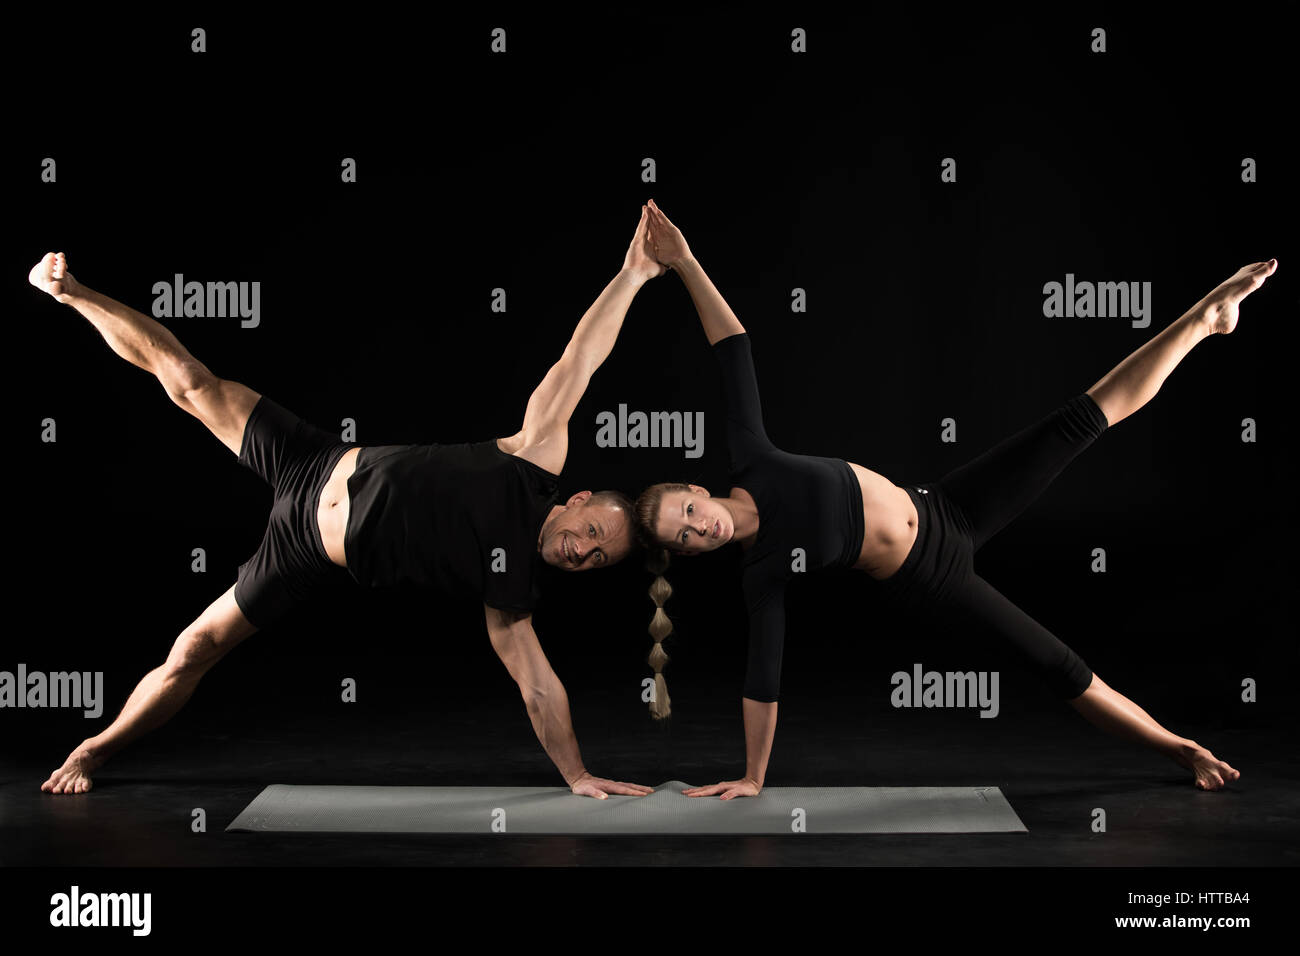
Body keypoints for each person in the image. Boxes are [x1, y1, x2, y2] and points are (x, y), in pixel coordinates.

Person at [633, 198, 1273, 798]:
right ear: (687, 554)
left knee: (1077, 421)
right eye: (683, 539)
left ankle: (1203, 319)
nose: (699, 529)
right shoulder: (762, 570)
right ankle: (1179, 749)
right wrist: (752, 778)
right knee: (1058, 664)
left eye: (688, 512)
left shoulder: (750, 454)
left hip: (947, 505)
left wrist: (686, 262)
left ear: (696, 489)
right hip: (932, 574)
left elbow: (732, 346)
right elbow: (762, 679)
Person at [32, 205, 668, 800]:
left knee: (194, 649)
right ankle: (73, 293)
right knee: (191, 383)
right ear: (578, 500)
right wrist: (634, 274)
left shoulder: (514, 592)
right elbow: (582, 357)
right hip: (310, 461)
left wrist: (578, 774)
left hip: (303, 552)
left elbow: (537, 686)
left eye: (594, 560)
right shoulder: (532, 458)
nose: (582, 551)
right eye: (591, 532)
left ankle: (95, 747)